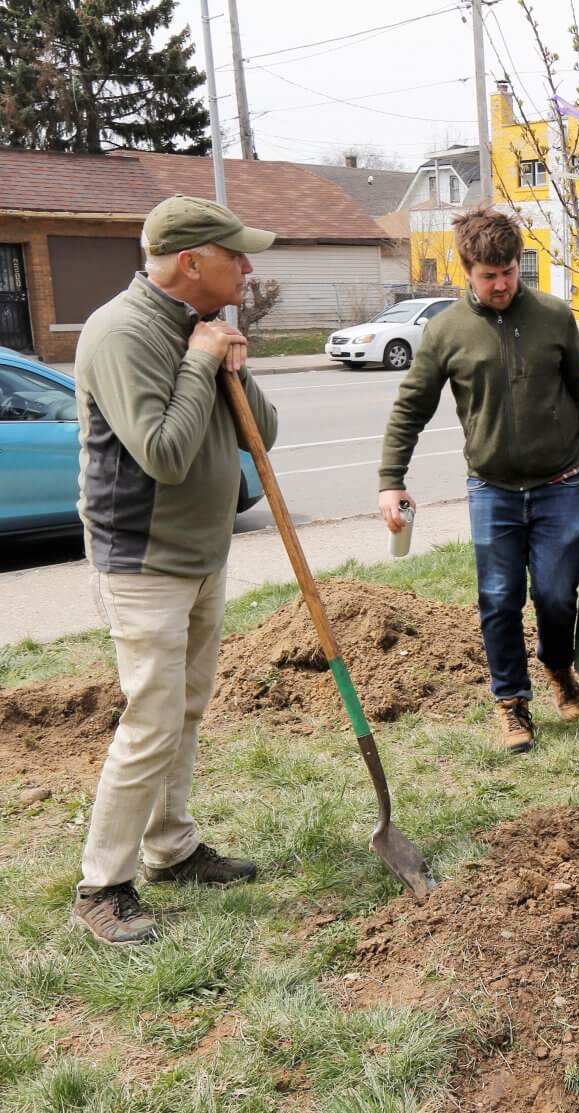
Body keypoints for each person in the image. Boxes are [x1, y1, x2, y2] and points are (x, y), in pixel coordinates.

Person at [70, 195, 280, 946]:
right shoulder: (122, 332)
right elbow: (162, 451)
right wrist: (200, 363)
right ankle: (102, 883)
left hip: (201, 554)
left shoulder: (202, 330)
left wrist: (235, 368)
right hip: (144, 559)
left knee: (184, 711)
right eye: (236, 254)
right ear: (192, 262)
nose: (249, 267)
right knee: (152, 718)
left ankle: (172, 848)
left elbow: (265, 437)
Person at [378, 208, 579, 752]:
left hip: (560, 483)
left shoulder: (553, 316)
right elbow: (411, 407)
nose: (501, 284)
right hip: (492, 490)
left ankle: (558, 668)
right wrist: (391, 478)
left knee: (555, 597)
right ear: (467, 271)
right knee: (499, 599)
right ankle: (512, 704)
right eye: (488, 275)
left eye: (509, 271)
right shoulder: (446, 330)